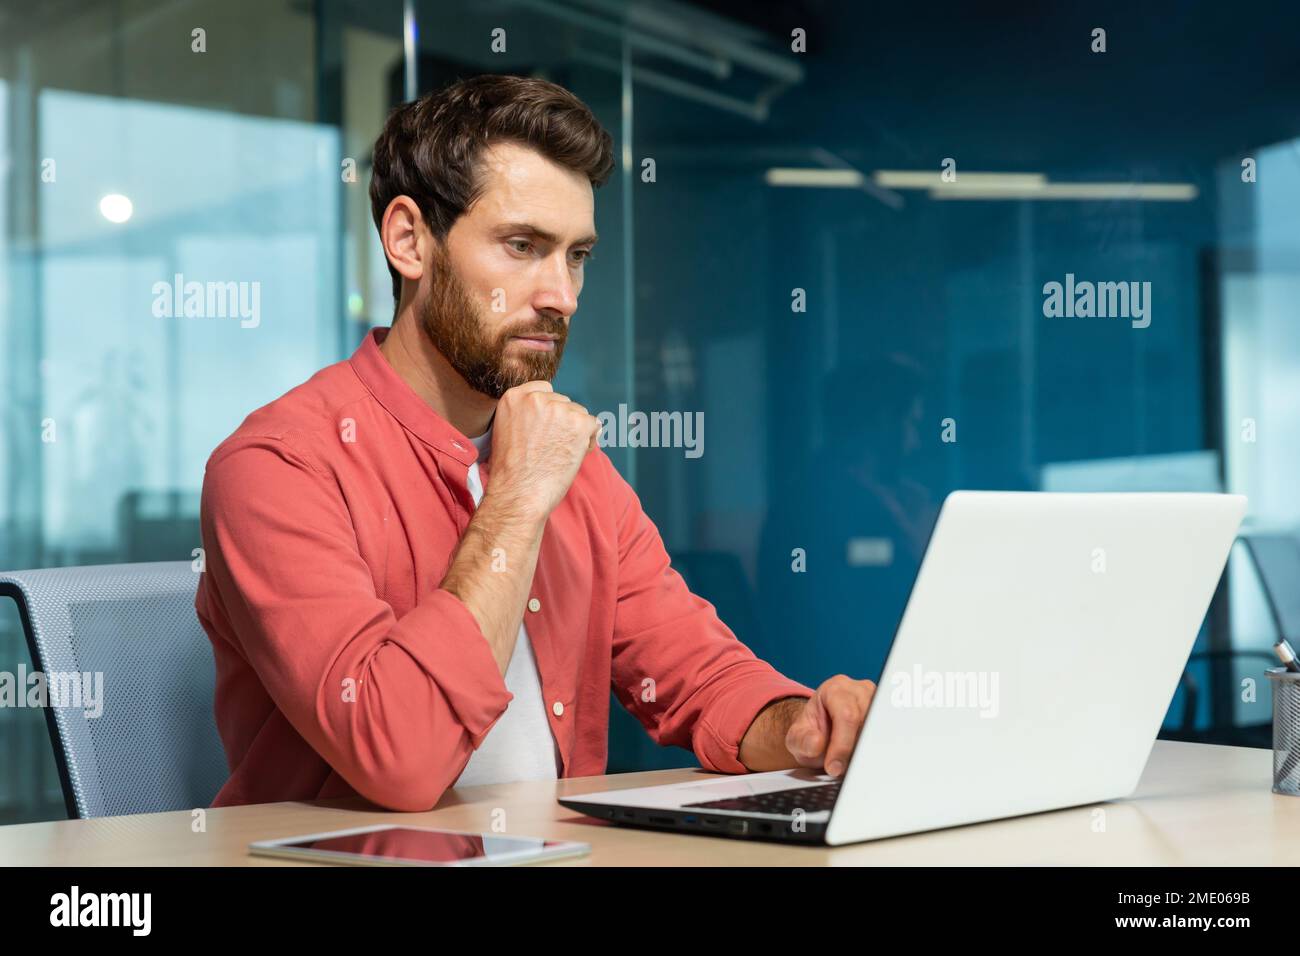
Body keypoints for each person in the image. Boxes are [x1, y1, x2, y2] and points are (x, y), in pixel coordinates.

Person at [195, 74, 876, 812]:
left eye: (576, 255)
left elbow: (700, 679)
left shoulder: (576, 470)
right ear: (408, 240)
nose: (563, 295)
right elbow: (397, 757)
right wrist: (517, 496)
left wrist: (806, 727)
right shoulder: (278, 467)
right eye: (522, 246)